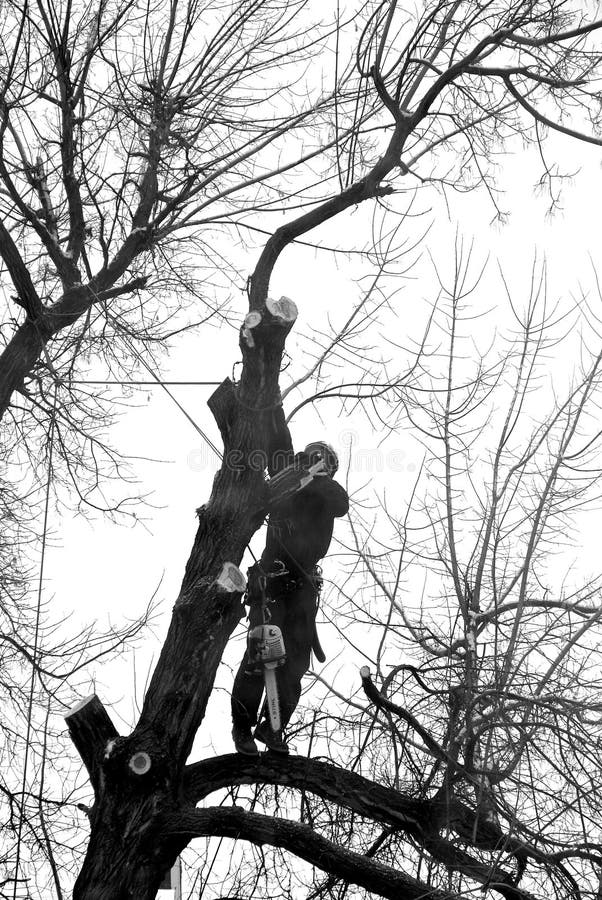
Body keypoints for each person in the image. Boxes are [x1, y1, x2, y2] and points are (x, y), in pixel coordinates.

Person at [231, 440, 349, 755]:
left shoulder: (328, 493)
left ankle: (272, 728)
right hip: (274, 579)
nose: (321, 463)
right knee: (263, 655)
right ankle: (242, 727)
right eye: (317, 458)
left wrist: (316, 477)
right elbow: (268, 497)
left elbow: (341, 503)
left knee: (295, 662)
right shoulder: (288, 476)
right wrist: (298, 474)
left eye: (327, 461)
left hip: (303, 587)